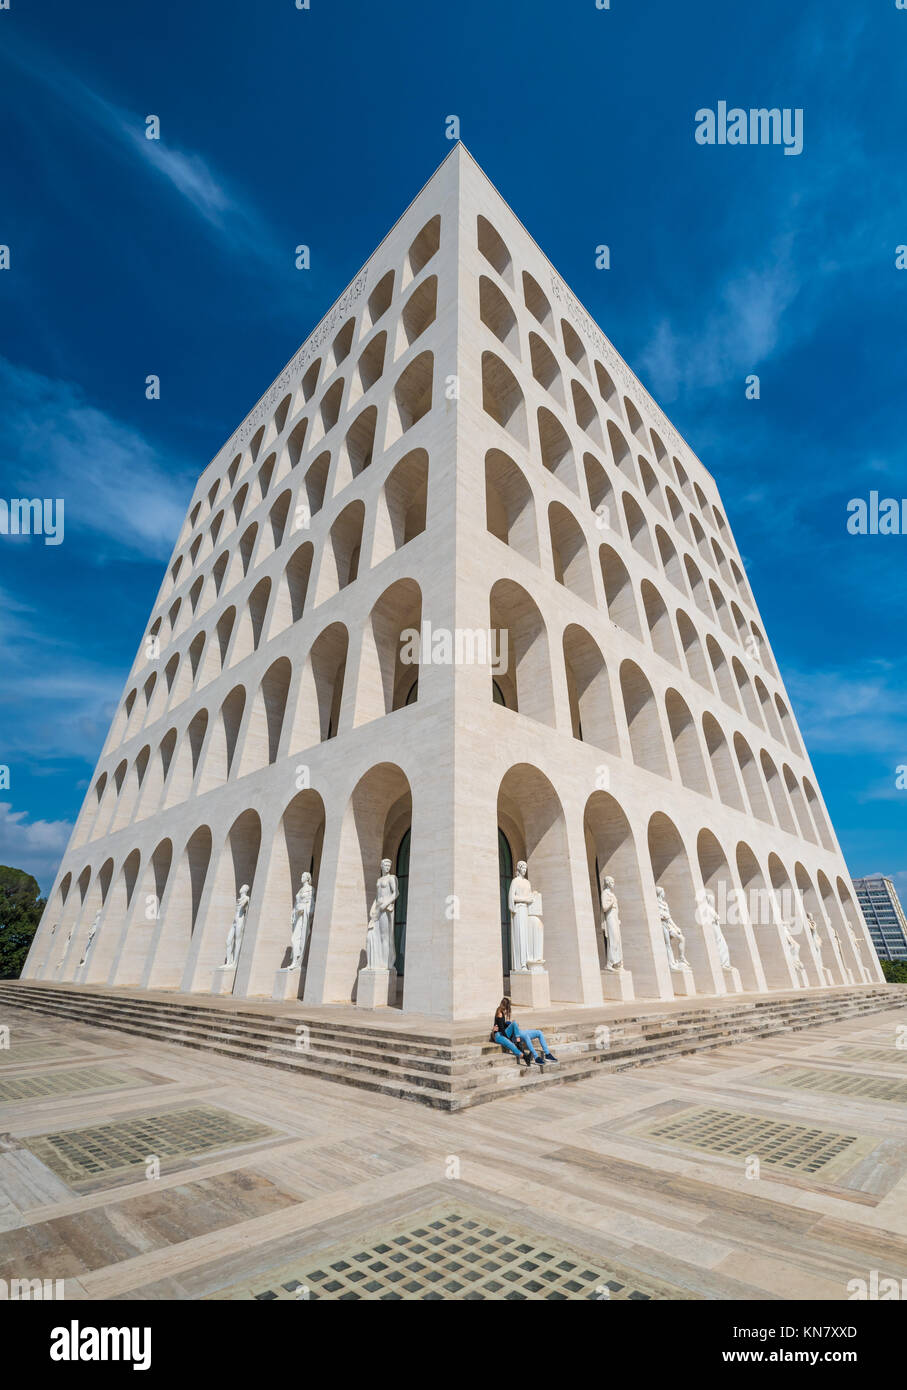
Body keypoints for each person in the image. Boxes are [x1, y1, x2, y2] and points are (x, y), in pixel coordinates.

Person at [490, 996, 558, 1065]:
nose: (507, 1010)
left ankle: (547, 1054)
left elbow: (502, 1025)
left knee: (539, 1032)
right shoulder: (500, 1013)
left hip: (516, 1033)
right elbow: (501, 1029)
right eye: (507, 1008)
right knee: (523, 1035)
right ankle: (535, 1057)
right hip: (507, 1035)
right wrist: (508, 1037)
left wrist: (509, 1024)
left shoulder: (501, 1011)